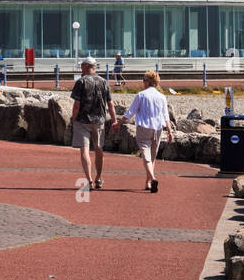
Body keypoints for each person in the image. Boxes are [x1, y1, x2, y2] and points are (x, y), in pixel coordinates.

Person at [121, 70, 174, 193]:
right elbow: (166, 116)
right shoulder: (161, 97)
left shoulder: (141, 95)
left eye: (144, 80)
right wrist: (170, 131)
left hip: (144, 127)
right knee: (153, 156)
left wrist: (119, 123)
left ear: (148, 81)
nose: (143, 82)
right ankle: (148, 182)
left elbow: (130, 112)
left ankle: (152, 178)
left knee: (146, 155)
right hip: (158, 128)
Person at [70, 56, 116, 191]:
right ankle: (99, 178)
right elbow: (110, 103)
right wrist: (114, 120)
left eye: (82, 66)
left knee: (84, 150)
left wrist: (74, 118)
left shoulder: (81, 82)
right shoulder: (104, 82)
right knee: (98, 149)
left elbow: (76, 104)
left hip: (82, 120)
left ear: (86, 66)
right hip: (99, 120)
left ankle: (89, 180)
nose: (81, 68)